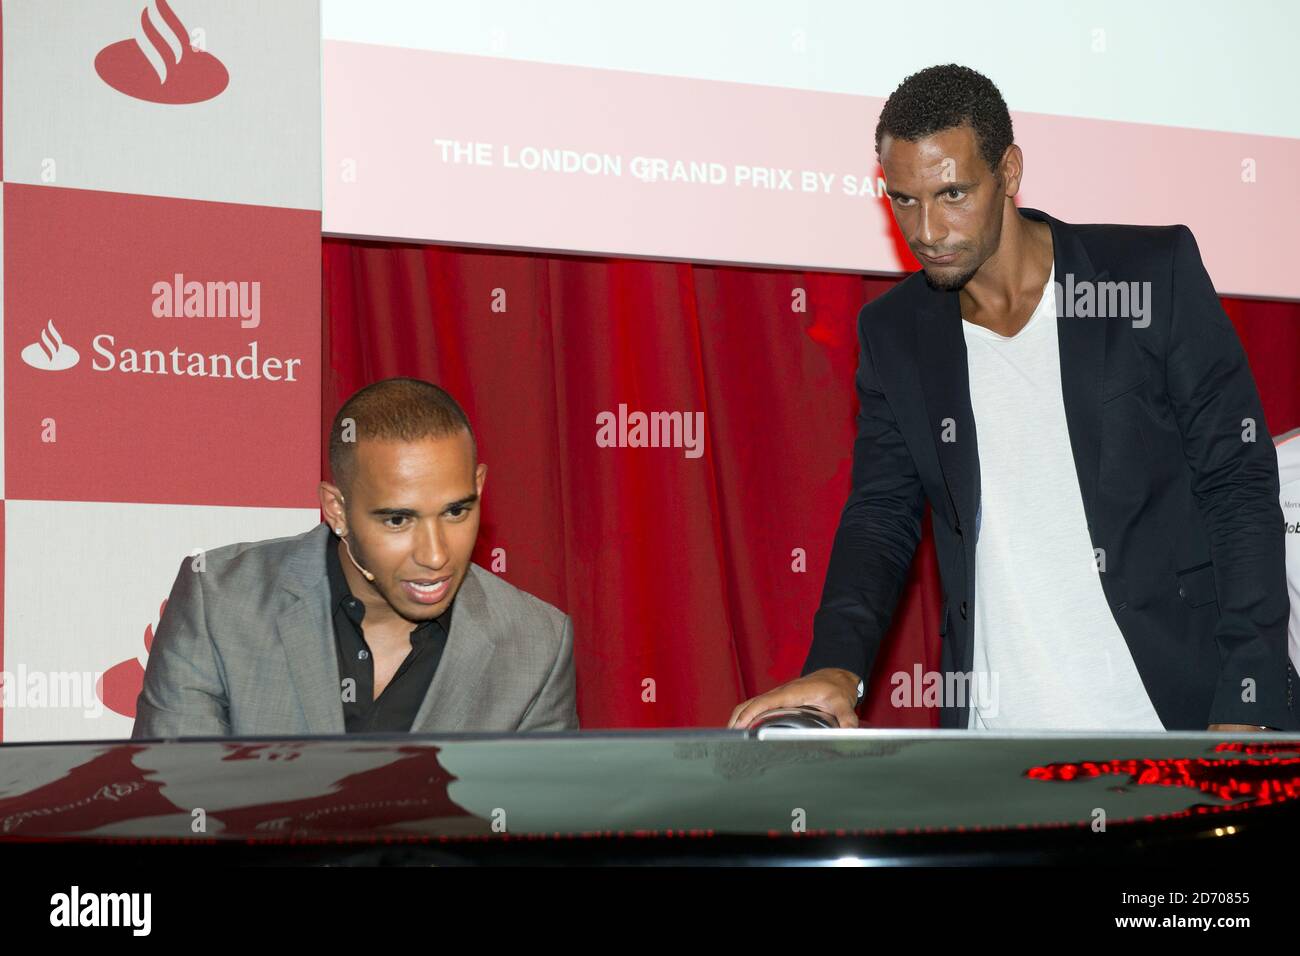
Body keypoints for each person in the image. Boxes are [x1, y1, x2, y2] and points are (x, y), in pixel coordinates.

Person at [731, 64, 1295, 732]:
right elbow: (881, 517)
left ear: (1010, 172)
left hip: (1174, 723)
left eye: (953, 194)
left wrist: (1248, 696)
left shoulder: (1148, 276)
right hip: (998, 748)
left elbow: (1238, 482)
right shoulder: (894, 335)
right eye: (904, 200)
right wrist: (836, 666)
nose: (928, 231)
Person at [134, 377, 578, 736]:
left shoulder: (535, 643)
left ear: (479, 487)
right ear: (337, 510)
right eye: (398, 520)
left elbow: (536, 834)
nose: (436, 554)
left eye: (456, 511)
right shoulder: (222, 602)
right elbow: (175, 809)